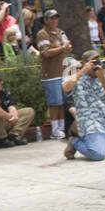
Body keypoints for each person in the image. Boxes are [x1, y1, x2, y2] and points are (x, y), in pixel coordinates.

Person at [35, 9, 73, 140]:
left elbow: (68, 48)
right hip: (50, 74)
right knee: (54, 103)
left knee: (62, 102)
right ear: (45, 20)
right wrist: (61, 47)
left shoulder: (60, 32)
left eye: (56, 18)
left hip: (62, 72)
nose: (55, 20)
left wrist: (61, 47)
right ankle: (55, 129)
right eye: (52, 18)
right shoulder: (42, 34)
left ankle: (61, 129)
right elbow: (45, 53)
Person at [0, 71, 34, 148]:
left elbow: (11, 106)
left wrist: (14, 115)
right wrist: (9, 116)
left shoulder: (3, 92)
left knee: (29, 111)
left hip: (4, 121)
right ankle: (1, 139)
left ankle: (14, 136)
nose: (2, 82)